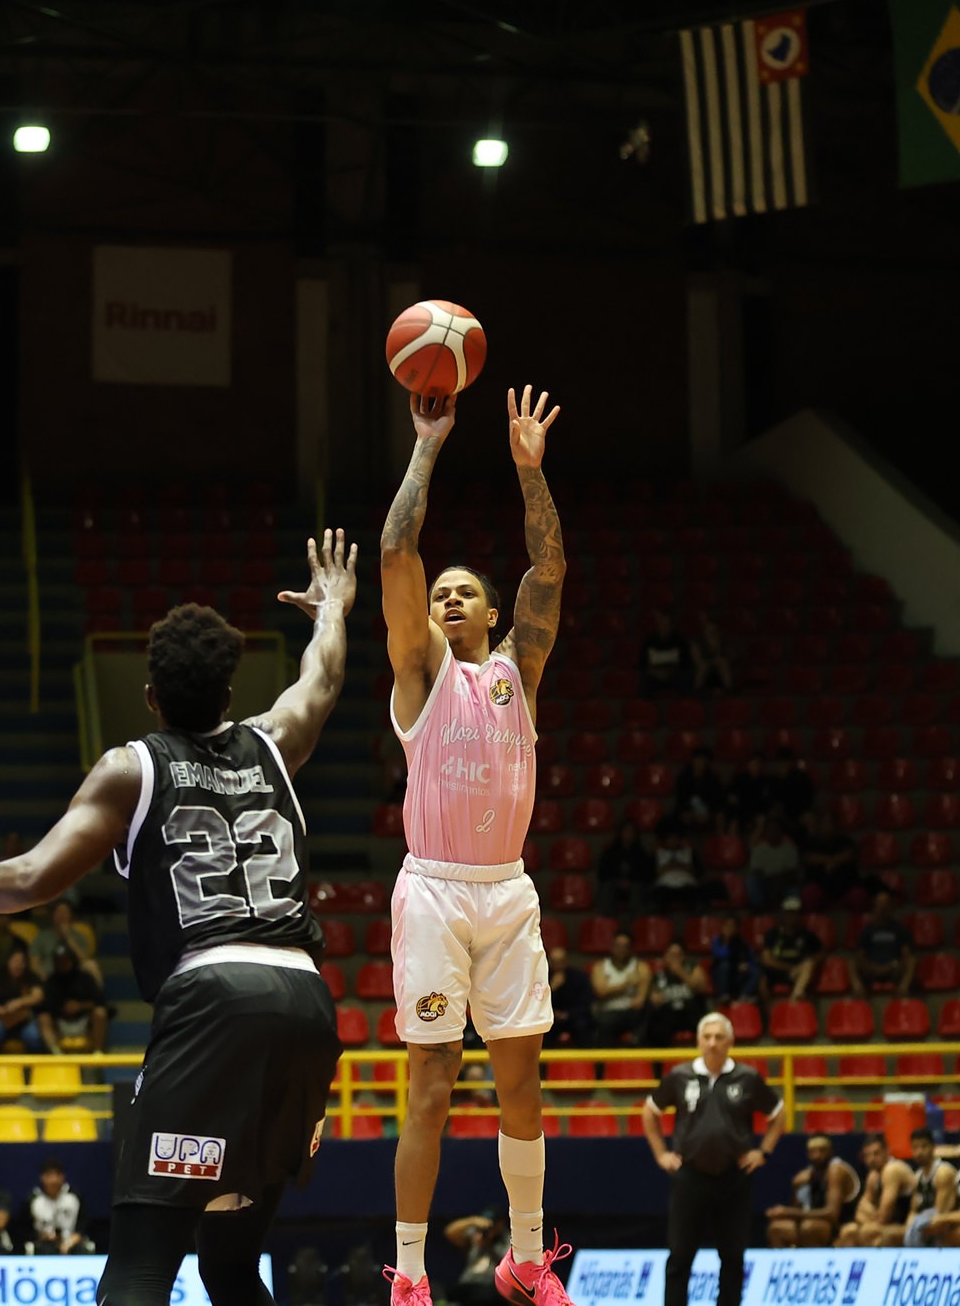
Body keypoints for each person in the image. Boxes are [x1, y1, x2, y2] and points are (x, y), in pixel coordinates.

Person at [0, 531, 357, 1306]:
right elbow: (321, 678)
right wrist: (334, 609)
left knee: (140, 1267)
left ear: (150, 696)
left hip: (213, 1002)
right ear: (230, 691)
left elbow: (28, 879)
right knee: (230, 1265)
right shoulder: (274, 743)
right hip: (310, 1009)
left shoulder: (132, 766)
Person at [377, 384, 577, 1306]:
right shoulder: (417, 675)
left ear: (491, 616)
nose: (449, 597)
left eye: (466, 592)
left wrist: (529, 473)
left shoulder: (517, 670)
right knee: (429, 1081)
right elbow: (395, 551)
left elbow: (550, 567)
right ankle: (410, 1277)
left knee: (522, 1083)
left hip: (507, 891)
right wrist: (429, 444)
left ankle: (527, 1260)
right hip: (435, 890)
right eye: (442, 593)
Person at [641, 1013, 784, 1306]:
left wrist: (763, 1151)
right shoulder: (680, 1076)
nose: (713, 1043)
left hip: (734, 1177)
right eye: (707, 1037)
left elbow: (778, 1113)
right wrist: (661, 1154)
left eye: (719, 1037)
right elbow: (650, 1112)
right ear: (698, 1041)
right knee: (680, 1255)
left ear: (731, 1041)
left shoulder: (747, 1077)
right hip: (690, 1176)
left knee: (732, 1257)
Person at [765, 1135, 860, 1247]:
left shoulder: (836, 1169)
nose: (817, 1155)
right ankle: (785, 1263)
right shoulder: (808, 1174)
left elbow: (832, 1214)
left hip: (842, 1225)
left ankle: (813, 1263)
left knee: (809, 1228)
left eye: (822, 1150)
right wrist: (796, 1187)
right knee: (776, 1229)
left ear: (831, 1152)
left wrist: (788, 1212)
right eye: (812, 1151)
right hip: (814, 1221)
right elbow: (799, 1210)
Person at [837, 1133, 915, 1247]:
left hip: (907, 1225)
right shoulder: (874, 1176)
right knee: (848, 1231)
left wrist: (871, 1216)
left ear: (887, 1151)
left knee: (868, 1232)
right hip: (887, 1225)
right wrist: (872, 1217)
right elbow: (859, 1214)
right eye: (867, 1156)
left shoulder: (892, 1170)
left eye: (876, 1154)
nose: (871, 1159)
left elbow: (884, 1217)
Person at [37, 946, 111, 1053]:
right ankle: (57, 1054)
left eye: (65, 959)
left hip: (83, 1022)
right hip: (60, 1022)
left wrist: (80, 1006)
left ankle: (97, 1053)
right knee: (43, 1017)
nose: (62, 963)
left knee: (100, 1013)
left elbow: (99, 1001)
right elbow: (45, 1007)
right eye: (59, 960)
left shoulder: (85, 978)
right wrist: (61, 1008)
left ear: (72, 960)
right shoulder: (51, 981)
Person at [0, 946, 48, 1053]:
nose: (19, 965)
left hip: (24, 1019)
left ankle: (32, 1068)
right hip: (1, 1018)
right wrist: (2, 1011)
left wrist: (19, 1002)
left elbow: (38, 996)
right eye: (15, 961)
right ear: (8, 961)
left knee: (33, 1036)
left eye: (22, 962)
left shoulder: (31, 976)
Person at [644, 943, 712, 1047]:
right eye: (672, 955)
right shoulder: (659, 976)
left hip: (691, 1012)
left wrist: (680, 972)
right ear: (665, 957)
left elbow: (701, 988)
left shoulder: (693, 969)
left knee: (707, 1024)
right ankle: (659, 1061)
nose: (674, 959)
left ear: (683, 957)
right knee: (654, 1025)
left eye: (678, 955)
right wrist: (655, 998)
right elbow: (653, 995)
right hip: (669, 1014)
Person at [901, 1127, 960, 1249]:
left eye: (924, 1147)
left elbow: (941, 1212)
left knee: (924, 1228)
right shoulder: (917, 1177)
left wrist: (915, 1227)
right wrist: (909, 1227)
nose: (919, 1152)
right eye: (915, 1148)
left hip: (947, 1222)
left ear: (933, 1147)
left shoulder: (943, 1172)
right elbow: (913, 1210)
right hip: (925, 1221)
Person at [590, 932, 651, 1047]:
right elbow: (601, 992)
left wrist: (611, 989)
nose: (621, 949)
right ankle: (604, 1062)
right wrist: (626, 984)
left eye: (625, 946)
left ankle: (639, 1048)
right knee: (604, 1024)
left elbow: (641, 998)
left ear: (630, 948)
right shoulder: (601, 966)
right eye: (618, 945)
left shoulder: (640, 966)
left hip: (631, 1011)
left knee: (649, 1009)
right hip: (609, 1012)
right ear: (612, 946)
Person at [849, 891, 915, 997]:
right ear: (874, 908)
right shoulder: (867, 931)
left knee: (911, 961)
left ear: (891, 908)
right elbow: (860, 956)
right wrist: (873, 967)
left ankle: (903, 988)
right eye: (879, 905)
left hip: (893, 969)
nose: (882, 909)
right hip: (872, 970)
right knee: (852, 962)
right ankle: (858, 988)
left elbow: (906, 954)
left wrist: (893, 966)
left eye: (885, 905)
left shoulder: (900, 930)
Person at [757, 899, 820, 1003]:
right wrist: (789, 967)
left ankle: (794, 999)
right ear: (783, 915)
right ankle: (769, 1015)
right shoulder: (773, 934)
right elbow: (767, 959)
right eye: (788, 913)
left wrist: (809, 961)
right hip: (776, 972)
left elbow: (821, 950)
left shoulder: (806, 935)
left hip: (796, 973)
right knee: (761, 980)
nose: (791, 917)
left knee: (808, 965)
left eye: (794, 914)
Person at [444, 1208, 511, 1306]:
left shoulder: (506, 1239)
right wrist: (473, 1221)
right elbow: (450, 1232)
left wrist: (488, 1246)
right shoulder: (477, 1235)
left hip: (491, 1287)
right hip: (468, 1284)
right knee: (445, 1291)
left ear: (500, 1223)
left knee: (484, 1296)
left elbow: (506, 1264)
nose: (489, 1228)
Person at [32, 899, 104, 987]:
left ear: (71, 916)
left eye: (65, 912)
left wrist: (69, 938)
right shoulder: (42, 937)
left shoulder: (80, 937)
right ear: (53, 915)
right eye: (59, 912)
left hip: (73, 979)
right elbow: (34, 963)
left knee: (91, 965)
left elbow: (84, 960)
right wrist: (44, 977)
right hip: (49, 977)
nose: (61, 915)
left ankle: (96, 999)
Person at [799, 809, 862, 908]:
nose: (827, 826)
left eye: (829, 823)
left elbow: (850, 854)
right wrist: (833, 860)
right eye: (824, 823)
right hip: (820, 886)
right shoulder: (811, 842)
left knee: (858, 895)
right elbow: (809, 857)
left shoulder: (845, 841)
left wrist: (831, 861)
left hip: (845, 887)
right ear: (818, 825)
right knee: (809, 893)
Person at [27, 1160, 91, 1256]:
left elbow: (84, 1222)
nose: (54, 1180)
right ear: (42, 1177)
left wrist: (73, 1239)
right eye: (49, 1175)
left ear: (63, 1176)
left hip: (72, 1240)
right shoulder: (33, 1199)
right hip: (44, 1243)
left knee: (81, 1251)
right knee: (45, 1251)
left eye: (57, 1175)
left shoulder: (74, 1196)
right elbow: (25, 1227)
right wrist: (42, 1236)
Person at [596, 823, 654, 916]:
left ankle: (637, 921)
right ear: (620, 833)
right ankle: (607, 920)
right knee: (607, 887)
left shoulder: (641, 853)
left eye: (631, 832)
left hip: (634, 885)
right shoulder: (610, 852)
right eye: (626, 831)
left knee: (638, 888)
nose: (629, 834)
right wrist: (618, 881)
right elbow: (602, 873)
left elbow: (647, 874)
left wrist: (631, 881)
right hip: (615, 884)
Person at [745, 819, 801, 911]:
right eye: (770, 829)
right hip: (765, 884)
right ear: (765, 832)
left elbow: (792, 873)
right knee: (752, 881)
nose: (773, 832)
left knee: (793, 889)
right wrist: (771, 881)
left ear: (781, 831)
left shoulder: (790, 849)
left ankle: (791, 914)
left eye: (776, 829)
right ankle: (759, 910)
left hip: (784, 883)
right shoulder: (758, 850)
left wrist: (776, 881)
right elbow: (757, 872)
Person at [545, 948, 595, 1048]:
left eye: (561, 962)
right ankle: (542, 1063)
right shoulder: (543, 978)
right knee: (542, 1029)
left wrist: (567, 1014)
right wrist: (552, 989)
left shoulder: (579, 977)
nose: (558, 965)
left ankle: (588, 1061)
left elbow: (585, 1003)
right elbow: (538, 1005)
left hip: (573, 1017)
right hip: (551, 1018)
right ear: (549, 962)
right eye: (554, 962)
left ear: (566, 961)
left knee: (583, 1025)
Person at [706, 916, 760, 1004]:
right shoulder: (718, 940)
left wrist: (746, 965)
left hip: (737, 974)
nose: (728, 928)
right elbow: (720, 955)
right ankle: (723, 995)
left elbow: (751, 958)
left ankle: (744, 995)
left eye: (732, 926)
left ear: (736, 929)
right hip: (721, 975)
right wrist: (727, 941)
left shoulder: (741, 942)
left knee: (755, 971)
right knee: (724, 965)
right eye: (727, 925)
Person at [639, 610, 689, 696]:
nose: (663, 626)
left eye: (666, 623)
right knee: (644, 681)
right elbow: (642, 664)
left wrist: (670, 672)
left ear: (671, 625)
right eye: (661, 623)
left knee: (685, 680)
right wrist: (656, 673)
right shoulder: (649, 641)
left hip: (674, 675)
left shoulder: (680, 641)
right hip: (655, 676)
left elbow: (685, 663)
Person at [672, 751, 724, 832]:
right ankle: (685, 840)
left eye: (703, 761)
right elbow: (681, 799)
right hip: (689, 809)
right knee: (684, 816)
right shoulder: (683, 778)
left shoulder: (712, 779)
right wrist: (692, 812)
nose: (701, 763)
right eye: (698, 760)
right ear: (693, 761)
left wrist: (707, 812)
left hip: (707, 810)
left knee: (720, 816)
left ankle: (719, 841)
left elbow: (716, 799)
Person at [650, 834, 703, 914]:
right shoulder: (659, 854)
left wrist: (682, 866)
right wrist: (670, 866)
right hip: (665, 885)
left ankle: (695, 920)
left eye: (675, 839)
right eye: (670, 839)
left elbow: (697, 871)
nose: (673, 842)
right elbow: (655, 872)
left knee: (693, 893)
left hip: (686, 884)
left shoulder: (690, 853)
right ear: (666, 841)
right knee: (658, 894)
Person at [690, 617, 734, 695]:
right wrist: (710, 661)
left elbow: (728, 658)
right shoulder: (697, 642)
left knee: (722, 663)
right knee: (703, 666)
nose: (710, 632)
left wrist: (716, 647)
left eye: (713, 630)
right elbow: (697, 660)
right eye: (708, 630)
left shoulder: (722, 641)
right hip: (702, 669)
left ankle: (728, 691)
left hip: (719, 670)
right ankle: (697, 692)